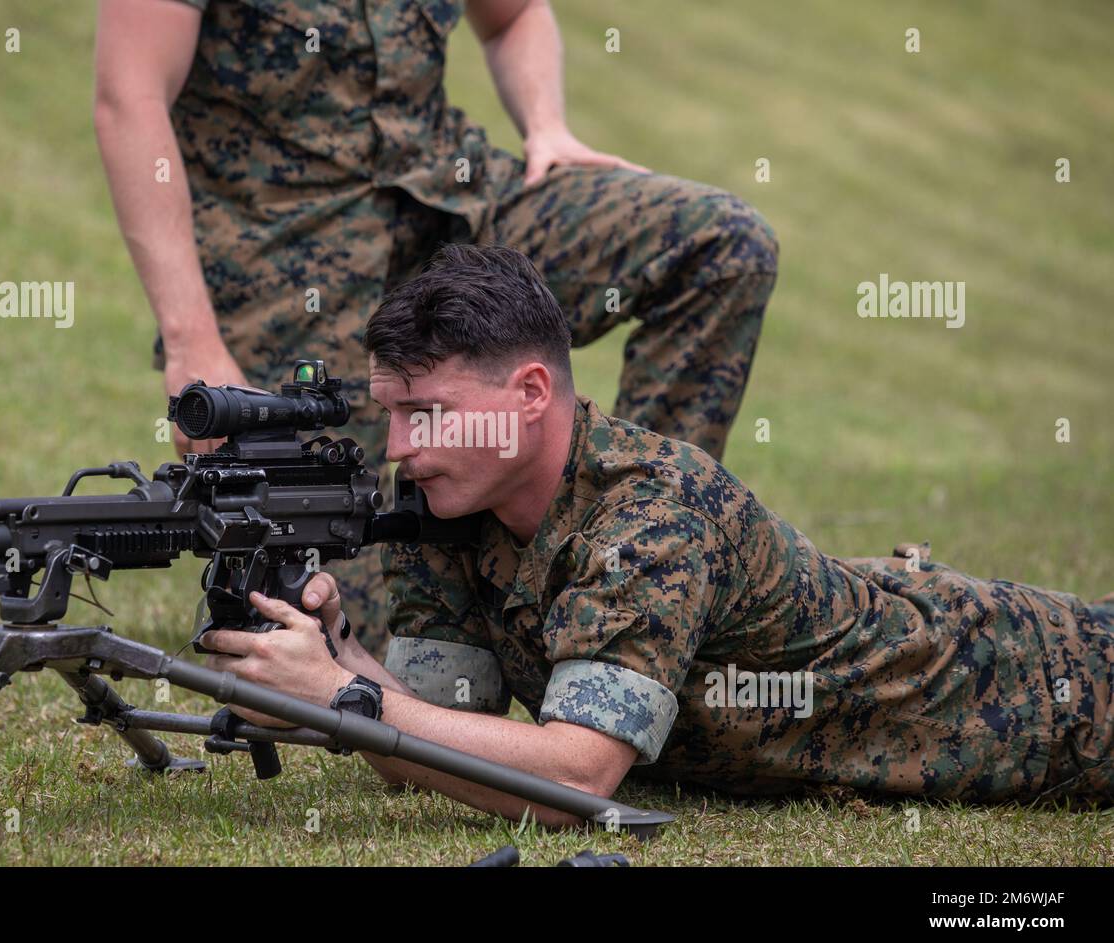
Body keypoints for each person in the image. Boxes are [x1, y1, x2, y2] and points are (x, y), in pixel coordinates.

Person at [196, 244, 1113, 826]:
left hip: (1030, 693)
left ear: (529, 395)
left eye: (429, 413)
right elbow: (438, 744)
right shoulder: (444, 497)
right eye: (393, 416)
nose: (402, 447)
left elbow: (574, 780)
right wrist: (333, 659)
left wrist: (349, 702)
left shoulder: (652, 513)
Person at [93, 0, 779, 657]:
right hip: (285, 254)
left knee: (721, 243)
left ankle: (635, 557)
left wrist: (546, 124)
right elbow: (130, 98)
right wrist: (191, 342)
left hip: (457, 202)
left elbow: (514, 15)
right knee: (331, 645)